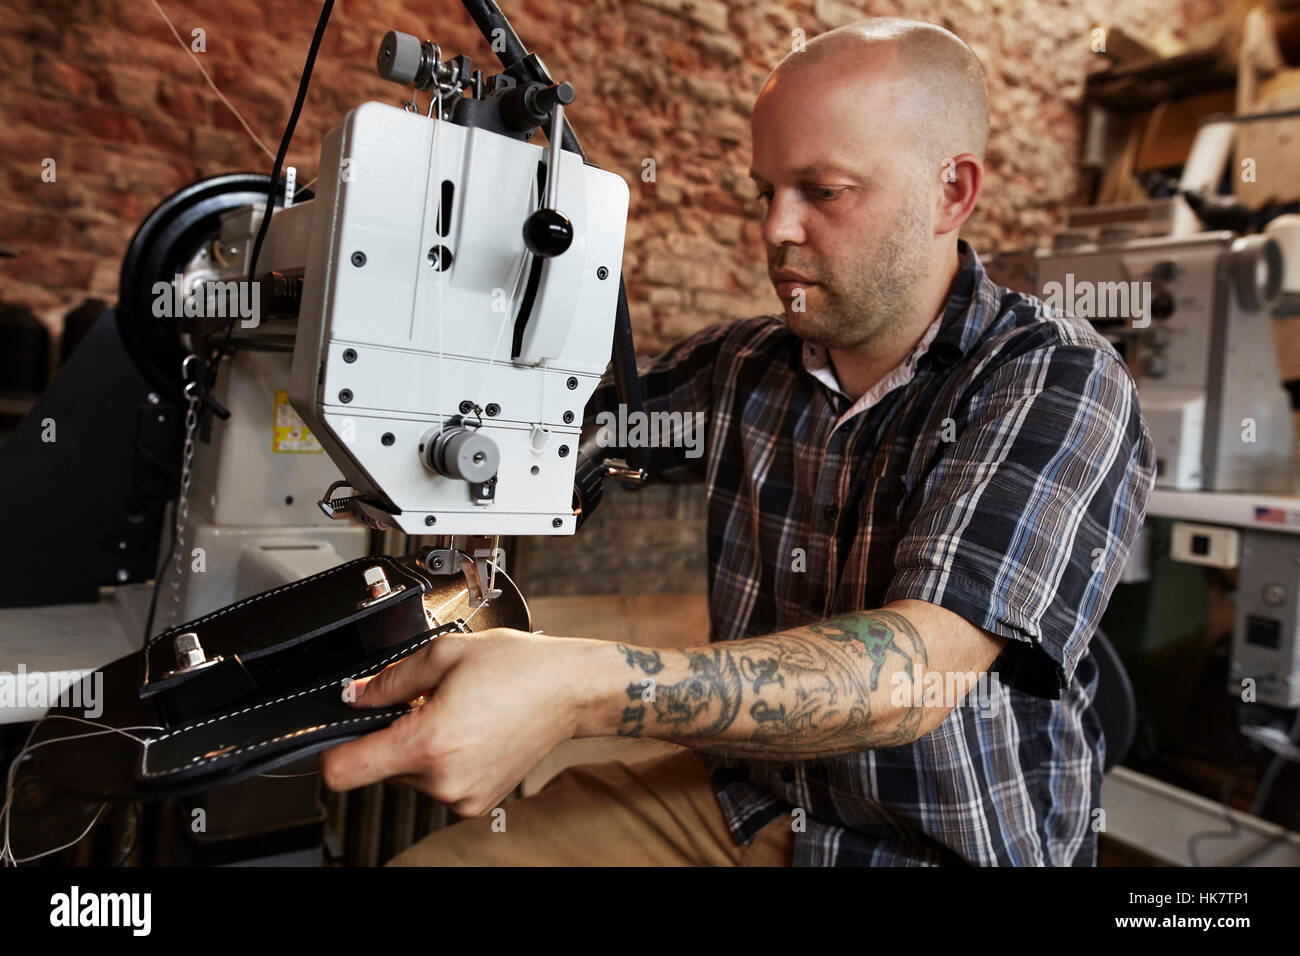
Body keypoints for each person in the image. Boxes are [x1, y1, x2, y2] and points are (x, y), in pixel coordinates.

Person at [317, 16, 1156, 866]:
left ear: (952, 193)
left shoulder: (1054, 379)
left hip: (935, 848)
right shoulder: (743, 366)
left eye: (824, 191)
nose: (775, 230)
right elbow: (540, 431)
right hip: (754, 799)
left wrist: (574, 688)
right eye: (766, 192)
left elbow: (906, 680)